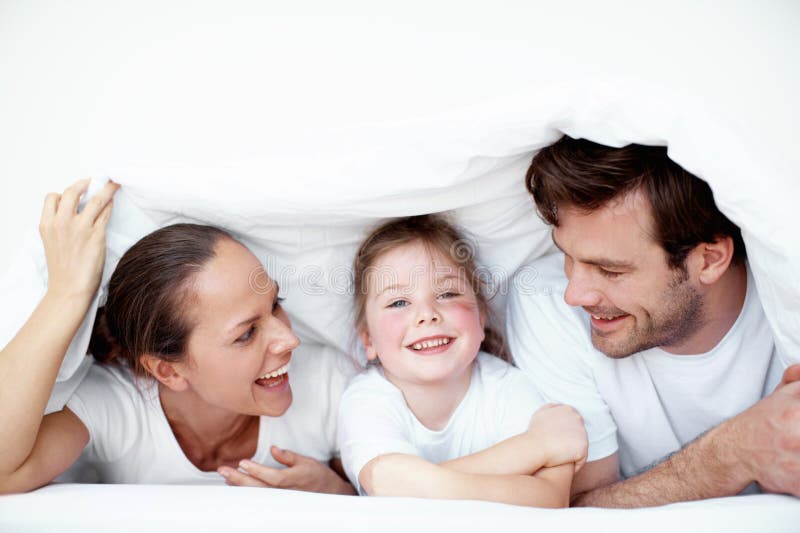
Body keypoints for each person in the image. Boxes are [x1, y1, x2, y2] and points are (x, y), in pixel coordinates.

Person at [0, 179, 355, 494]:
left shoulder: (329, 385)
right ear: (168, 371)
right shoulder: (118, 406)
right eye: (247, 333)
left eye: (275, 304)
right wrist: (67, 294)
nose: (289, 339)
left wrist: (336, 491)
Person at [507, 136, 800, 507]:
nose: (574, 295)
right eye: (567, 255)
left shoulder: (786, 308)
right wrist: (732, 453)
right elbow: (576, 510)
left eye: (610, 270)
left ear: (709, 260)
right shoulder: (544, 299)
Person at [337, 214, 587, 507]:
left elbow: (552, 498)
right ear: (368, 340)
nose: (427, 314)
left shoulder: (508, 388)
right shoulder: (366, 400)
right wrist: (534, 446)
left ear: (481, 318)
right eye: (399, 302)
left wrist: (414, 485)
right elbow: (388, 483)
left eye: (447, 293)